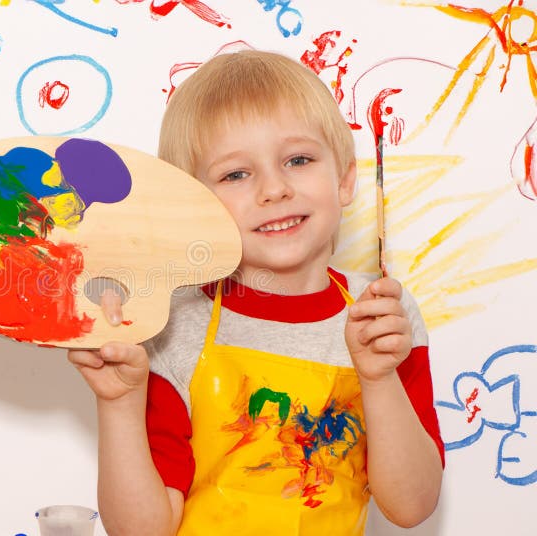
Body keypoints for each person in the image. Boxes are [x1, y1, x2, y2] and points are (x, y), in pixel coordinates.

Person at [67, 50, 444, 535]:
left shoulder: (383, 314)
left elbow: (411, 507)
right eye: (236, 174)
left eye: (298, 159)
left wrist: (378, 379)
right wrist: (118, 405)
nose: (274, 189)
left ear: (345, 179)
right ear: (194, 205)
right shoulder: (170, 322)